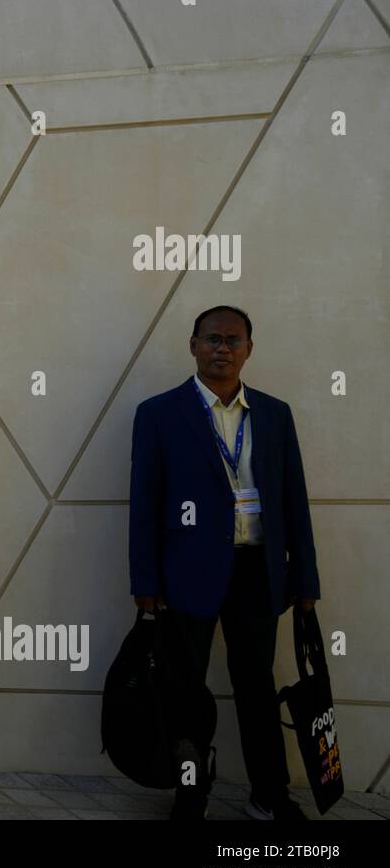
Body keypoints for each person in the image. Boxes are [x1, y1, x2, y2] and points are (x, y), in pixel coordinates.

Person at [128, 305, 320, 820]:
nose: (222, 349)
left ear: (249, 349)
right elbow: (144, 503)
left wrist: (305, 576)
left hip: (258, 571)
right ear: (192, 346)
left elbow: (294, 500)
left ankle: (269, 793)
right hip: (184, 572)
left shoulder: (275, 414)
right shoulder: (159, 414)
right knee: (184, 685)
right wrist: (144, 580)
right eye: (211, 339)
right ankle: (190, 791)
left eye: (233, 340)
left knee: (256, 682)